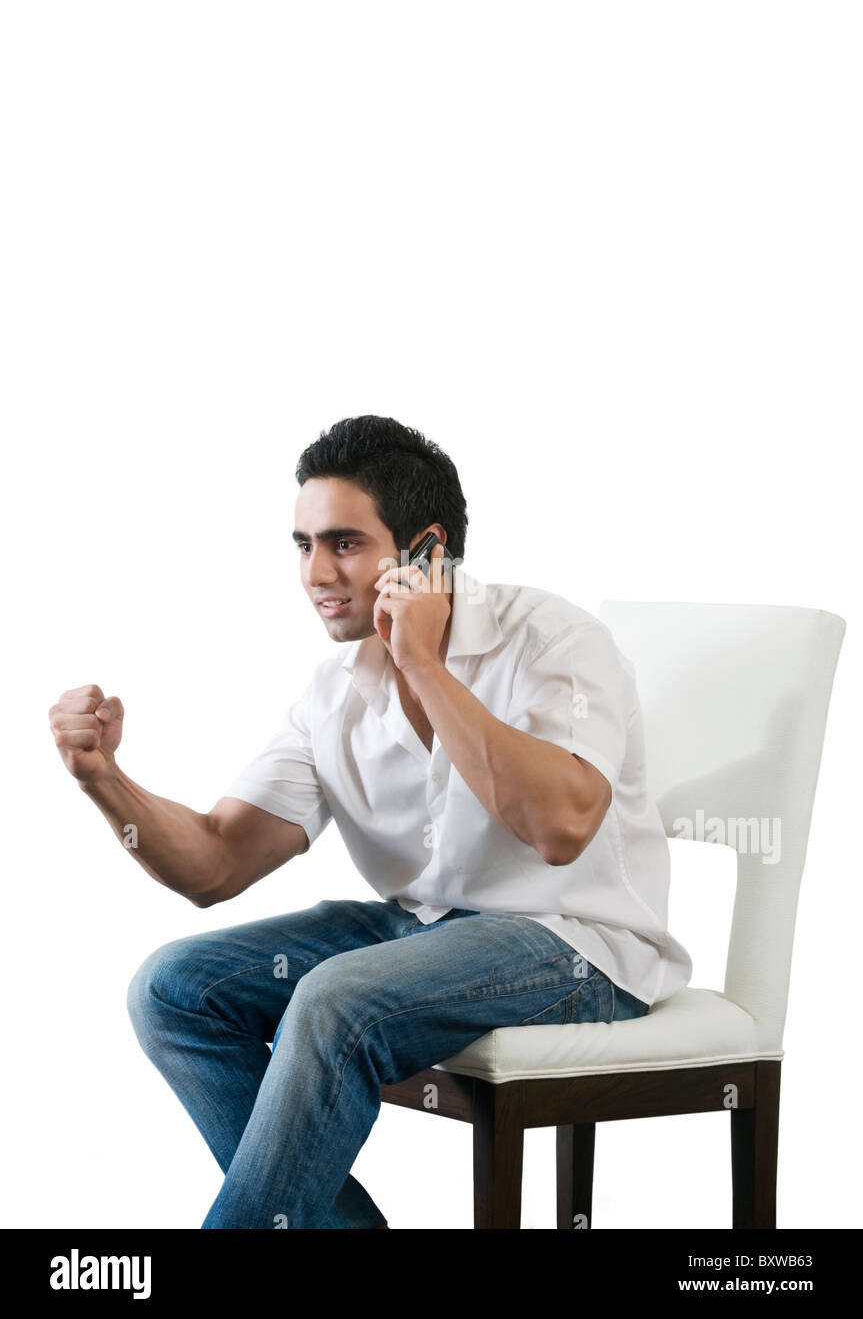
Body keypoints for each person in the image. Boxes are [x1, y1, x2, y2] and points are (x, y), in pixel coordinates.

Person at [48, 413, 692, 1230]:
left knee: (333, 1000)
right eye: (301, 544)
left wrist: (421, 663)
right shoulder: (333, 691)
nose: (315, 572)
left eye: (343, 543)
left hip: (577, 948)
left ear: (425, 552)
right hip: (421, 933)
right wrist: (105, 781)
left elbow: (561, 827)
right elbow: (214, 865)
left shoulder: (552, 640)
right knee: (174, 989)